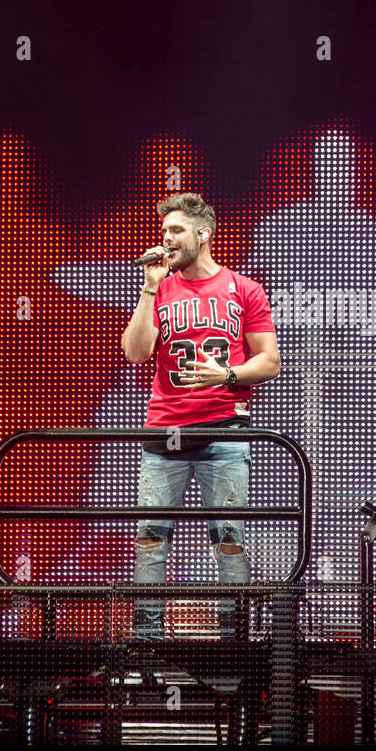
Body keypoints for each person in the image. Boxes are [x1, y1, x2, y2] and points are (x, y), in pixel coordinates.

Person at [121, 192, 281, 639]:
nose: (166, 238)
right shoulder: (160, 289)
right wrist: (149, 287)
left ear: (203, 234)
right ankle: (147, 645)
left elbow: (269, 360)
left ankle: (233, 641)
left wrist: (227, 374)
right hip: (164, 431)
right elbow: (135, 352)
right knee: (150, 541)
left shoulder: (243, 288)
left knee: (229, 542)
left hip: (223, 431)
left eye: (176, 230)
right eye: (164, 231)